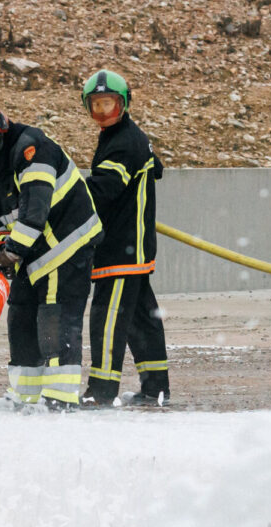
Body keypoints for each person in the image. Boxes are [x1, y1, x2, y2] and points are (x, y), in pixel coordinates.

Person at [0, 95, 102, 410]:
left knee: (55, 318)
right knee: (20, 317)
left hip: (67, 246)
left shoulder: (33, 149)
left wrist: (12, 252)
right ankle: (25, 396)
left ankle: (60, 398)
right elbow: (0, 217)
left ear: (1, 124)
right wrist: (2, 253)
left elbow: (36, 210)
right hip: (31, 252)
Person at [77, 70, 169, 408]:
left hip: (120, 248)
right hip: (134, 247)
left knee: (108, 316)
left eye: (109, 105)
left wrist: (68, 190)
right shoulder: (126, 138)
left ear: (125, 103)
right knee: (141, 319)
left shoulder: (124, 141)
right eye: (96, 106)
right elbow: (152, 165)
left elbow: (106, 189)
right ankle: (155, 388)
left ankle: (101, 393)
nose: (103, 113)